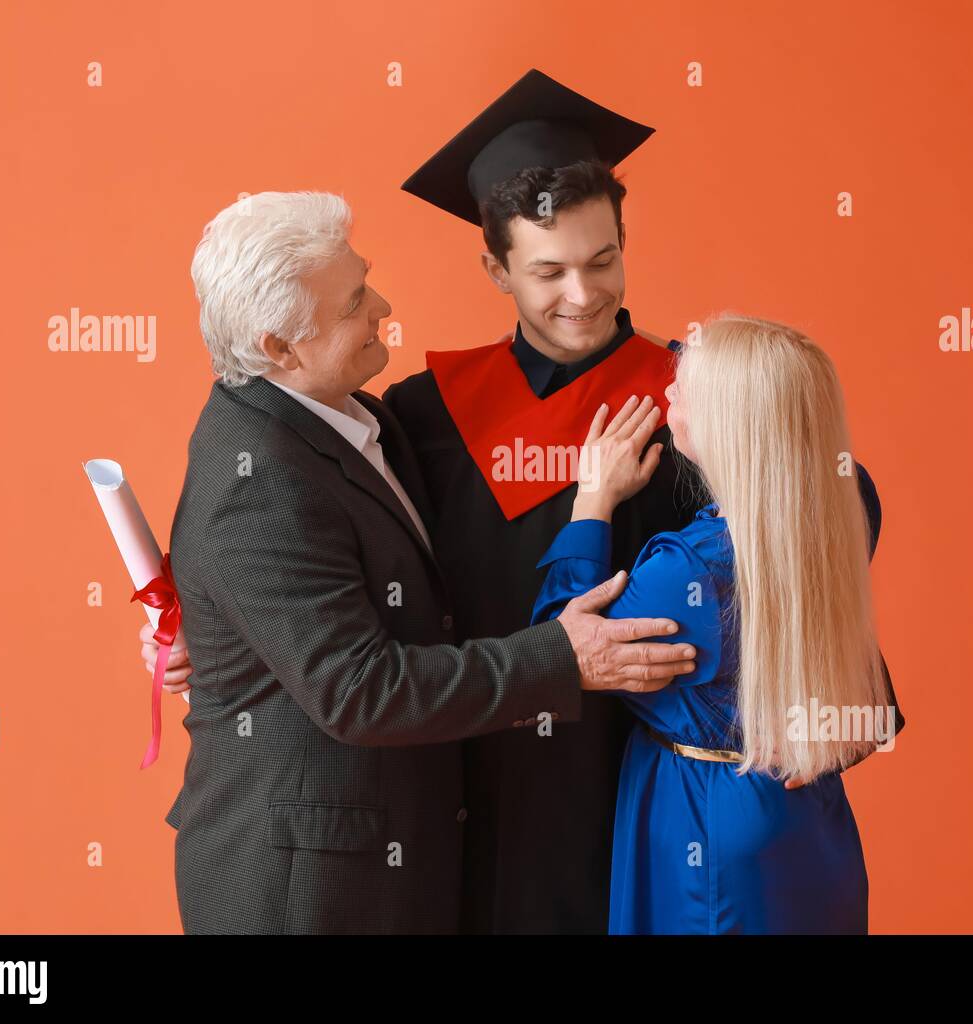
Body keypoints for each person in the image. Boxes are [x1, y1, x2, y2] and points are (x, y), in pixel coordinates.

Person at [145, 69, 904, 933]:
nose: (581, 296)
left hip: (635, 782)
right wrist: (212, 629)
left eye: (602, 259)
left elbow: (816, 510)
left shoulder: (702, 404)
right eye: (546, 271)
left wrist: (833, 688)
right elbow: (331, 575)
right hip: (463, 785)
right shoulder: (421, 417)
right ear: (496, 268)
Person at [156, 190, 697, 934]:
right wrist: (564, 656)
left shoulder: (364, 418)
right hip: (306, 884)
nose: (382, 304)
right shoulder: (259, 484)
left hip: (405, 850)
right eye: (353, 303)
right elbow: (358, 690)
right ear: (279, 346)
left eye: (366, 278)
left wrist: (205, 624)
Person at [531, 315, 898, 933]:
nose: (667, 386)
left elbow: (561, 644)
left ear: (727, 424)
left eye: (686, 385)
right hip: (805, 814)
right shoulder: (849, 500)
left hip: (707, 818)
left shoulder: (689, 571)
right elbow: (782, 405)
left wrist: (591, 501)